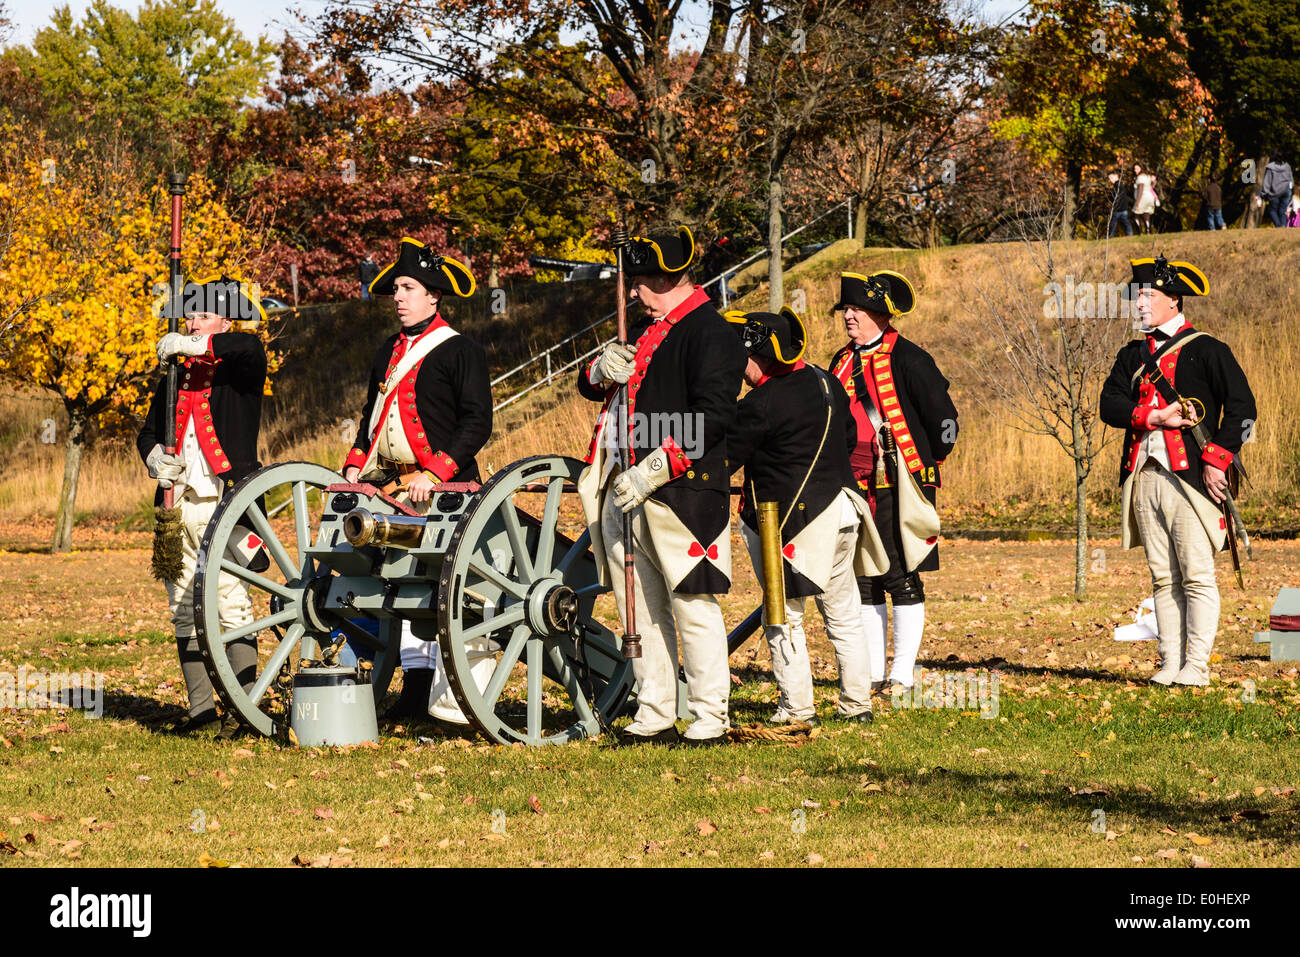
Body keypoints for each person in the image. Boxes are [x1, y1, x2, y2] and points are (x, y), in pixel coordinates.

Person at [576, 226, 747, 746]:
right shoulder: (647, 328)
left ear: (670, 279)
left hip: (681, 491)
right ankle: (655, 711)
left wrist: (652, 469)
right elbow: (592, 387)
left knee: (693, 604)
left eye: (642, 282)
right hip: (624, 488)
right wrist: (599, 370)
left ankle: (710, 715)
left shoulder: (711, 331)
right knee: (642, 608)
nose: (633, 292)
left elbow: (713, 417)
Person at [343, 237, 492, 718]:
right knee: (402, 585)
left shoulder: (460, 349)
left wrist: (435, 471)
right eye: (396, 289)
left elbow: (477, 422)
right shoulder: (388, 350)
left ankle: (445, 693)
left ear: (433, 295)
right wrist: (355, 463)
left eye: (408, 288)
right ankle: (414, 686)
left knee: (441, 588)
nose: (398, 297)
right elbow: (371, 416)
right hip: (393, 489)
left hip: (446, 489)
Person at [725, 306, 888, 725]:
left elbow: (725, 458)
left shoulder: (761, 402)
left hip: (792, 524)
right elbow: (849, 437)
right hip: (843, 509)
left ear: (759, 356)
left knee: (784, 616)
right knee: (844, 615)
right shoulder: (826, 380)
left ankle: (796, 709)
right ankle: (857, 705)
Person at [1099, 256, 1256, 686]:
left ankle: (1197, 667)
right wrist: (1153, 417)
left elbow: (1243, 411)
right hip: (1144, 477)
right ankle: (1171, 663)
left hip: (1192, 479)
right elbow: (1109, 405)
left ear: (1174, 299)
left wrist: (1217, 460)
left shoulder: (1208, 349)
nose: (1139, 303)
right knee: (1163, 577)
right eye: (1137, 296)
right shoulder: (1131, 355)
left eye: (1148, 295)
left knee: (1197, 576)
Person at [137, 277, 268, 735]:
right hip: (177, 506)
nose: (192, 324)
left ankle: (243, 711)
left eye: (203, 317)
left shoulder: (241, 371)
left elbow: (249, 347)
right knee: (181, 606)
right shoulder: (173, 377)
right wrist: (155, 459)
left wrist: (192, 345)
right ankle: (201, 712)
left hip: (226, 505)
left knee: (231, 604)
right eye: (189, 316)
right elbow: (147, 433)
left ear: (224, 323)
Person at [828, 271, 958, 693]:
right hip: (851, 484)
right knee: (863, 578)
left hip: (896, 483)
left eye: (857, 309)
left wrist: (923, 467)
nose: (848, 316)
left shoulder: (911, 359)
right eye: (846, 309)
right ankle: (872, 674)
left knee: (900, 574)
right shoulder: (840, 361)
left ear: (881, 314)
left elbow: (946, 422)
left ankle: (901, 673)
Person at [1261, 153, 1293, 228]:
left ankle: (1278, 226)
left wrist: (1264, 193)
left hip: (1274, 192)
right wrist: (1290, 189)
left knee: (1272, 210)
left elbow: (1267, 181)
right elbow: (1291, 179)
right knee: (1283, 210)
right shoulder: (1287, 166)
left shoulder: (1270, 167)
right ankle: (1283, 226)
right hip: (1286, 190)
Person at [1106, 170, 1134, 237]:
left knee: (1114, 222)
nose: (1110, 180)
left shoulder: (1118, 186)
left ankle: (1112, 235)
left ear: (1116, 176)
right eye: (1109, 178)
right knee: (1123, 221)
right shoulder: (1118, 185)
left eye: (1111, 178)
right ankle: (1129, 233)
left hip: (1119, 208)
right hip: (1121, 207)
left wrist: (1115, 206)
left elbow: (1118, 197)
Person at [1133, 163, 1158, 234]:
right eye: (1134, 169)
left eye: (1137, 169)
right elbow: (1152, 186)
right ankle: (1148, 231)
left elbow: (1140, 190)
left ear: (1141, 168)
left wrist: (1137, 203)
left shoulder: (1140, 177)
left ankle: (1140, 232)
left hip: (1142, 198)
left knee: (1136, 215)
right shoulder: (1147, 176)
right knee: (1146, 214)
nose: (1135, 170)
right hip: (1150, 198)